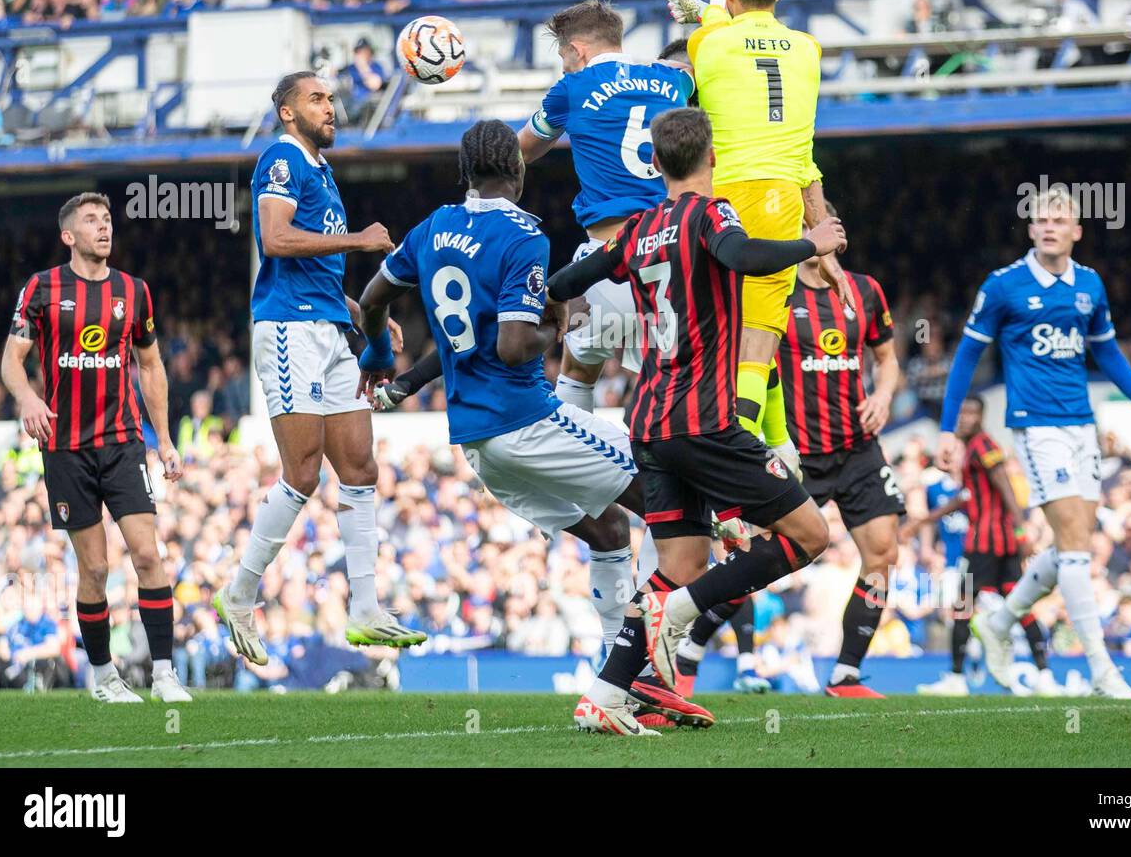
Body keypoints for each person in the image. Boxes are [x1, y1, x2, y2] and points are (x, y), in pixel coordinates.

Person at [359, 120, 711, 731]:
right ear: (517, 172)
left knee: (607, 534)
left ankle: (617, 683)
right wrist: (565, 320)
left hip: (478, 444)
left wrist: (382, 361)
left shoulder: (430, 229)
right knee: (670, 493)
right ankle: (636, 678)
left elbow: (373, 302)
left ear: (465, 173)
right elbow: (517, 346)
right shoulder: (522, 233)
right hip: (529, 423)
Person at [547, 107, 847, 734]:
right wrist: (809, 245)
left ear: (654, 165)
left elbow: (568, 280)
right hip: (704, 421)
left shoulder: (636, 229)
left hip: (650, 423)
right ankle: (679, 612)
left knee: (678, 566)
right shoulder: (710, 214)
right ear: (713, 160)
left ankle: (605, 693)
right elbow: (741, 255)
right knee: (809, 536)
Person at [213, 71, 422, 665]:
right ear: (286, 112)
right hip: (288, 329)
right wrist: (358, 242)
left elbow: (318, 273)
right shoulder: (282, 160)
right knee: (302, 474)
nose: (330, 108)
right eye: (317, 99)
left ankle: (365, 608)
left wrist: (363, 313)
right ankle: (240, 592)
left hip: (329, 329)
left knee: (360, 464)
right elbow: (276, 240)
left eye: (331, 98)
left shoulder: (321, 173)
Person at [937, 186, 1131, 699]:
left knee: (1075, 548)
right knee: (1074, 550)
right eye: (1041, 218)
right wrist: (946, 429)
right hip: (1035, 426)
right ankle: (1102, 670)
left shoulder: (1089, 284)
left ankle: (999, 624)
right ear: (1031, 229)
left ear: (1076, 230)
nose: (1049, 226)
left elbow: (1107, 353)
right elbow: (965, 358)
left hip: (1081, 424)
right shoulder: (1004, 286)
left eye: (1059, 219)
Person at [675, 203, 906, 699]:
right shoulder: (774, 292)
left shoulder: (865, 292)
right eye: (807, 227)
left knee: (884, 551)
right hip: (796, 452)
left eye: (823, 227)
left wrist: (884, 394)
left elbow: (887, 358)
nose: (816, 235)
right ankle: (693, 639)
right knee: (758, 559)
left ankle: (845, 674)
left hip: (858, 448)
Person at [662, 0, 846, 480]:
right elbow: (804, 154)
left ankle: (773, 443)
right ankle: (743, 462)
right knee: (759, 337)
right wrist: (821, 233)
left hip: (713, 200)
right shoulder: (808, 49)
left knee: (719, 331)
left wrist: (711, 6)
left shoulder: (707, 43)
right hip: (779, 197)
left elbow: (718, 33)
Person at [1, 191, 192, 702]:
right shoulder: (42, 288)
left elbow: (150, 366)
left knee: (149, 555)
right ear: (69, 235)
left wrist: (166, 440)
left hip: (124, 443)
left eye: (107, 219)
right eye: (91, 220)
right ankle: (104, 675)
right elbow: (11, 359)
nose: (104, 227)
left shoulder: (134, 291)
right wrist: (26, 399)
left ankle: (165, 673)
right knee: (97, 568)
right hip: (65, 449)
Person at [517, 0, 694, 415]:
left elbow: (521, 150)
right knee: (675, 378)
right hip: (670, 257)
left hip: (605, 266)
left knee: (577, 373)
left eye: (563, 55)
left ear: (577, 49)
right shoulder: (675, 79)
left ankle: (573, 471)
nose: (563, 66)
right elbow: (689, 71)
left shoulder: (570, 89)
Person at [911, 396, 1060, 697]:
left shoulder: (983, 446)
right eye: (962, 412)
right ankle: (1045, 675)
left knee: (963, 607)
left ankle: (955, 678)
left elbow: (1005, 486)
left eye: (972, 413)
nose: (965, 418)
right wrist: (924, 519)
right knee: (1020, 604)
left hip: (984, 544)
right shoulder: (971, 450)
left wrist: (1021, 530)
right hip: (999, 543)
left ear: (981, 417)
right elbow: (968, 497)